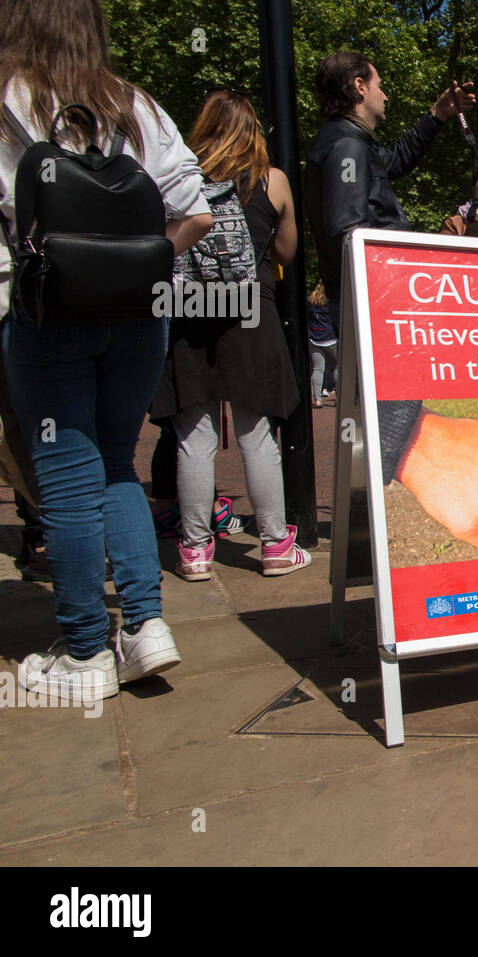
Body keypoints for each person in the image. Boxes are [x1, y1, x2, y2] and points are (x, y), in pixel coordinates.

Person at [1, 0, 213, 702]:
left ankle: (86, 649)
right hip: (138, 316)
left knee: (64, 477)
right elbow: (197, 209)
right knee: (117, 460)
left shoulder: (5, 96)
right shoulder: (133, 104)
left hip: (46, 315)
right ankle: (146, 626)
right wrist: (138, 270)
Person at [148, 91, 312, 582]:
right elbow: (286, 252)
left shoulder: (180, 180)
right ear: (253, 130)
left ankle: (195, 551)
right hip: (249, 310)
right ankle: (276, 544)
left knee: (192, 437)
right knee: (256, 434)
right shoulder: (272, 180)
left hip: (189, 309)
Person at [304, 51, 474, 307]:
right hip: (374, 296)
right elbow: (348, 231)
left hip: (371, 292)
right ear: (360, 86)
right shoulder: (347, 147)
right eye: (379, 86)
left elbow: (396, 160)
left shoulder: (352, 142)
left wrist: (437, 114)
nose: (385, 95)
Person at [307, 281, 337, 408]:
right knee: (338, 367)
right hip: (331, 339)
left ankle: (318, 400)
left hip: (315, 339)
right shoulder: (331, 303)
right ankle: (338, 399)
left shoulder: (310, 302)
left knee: (318, 368)